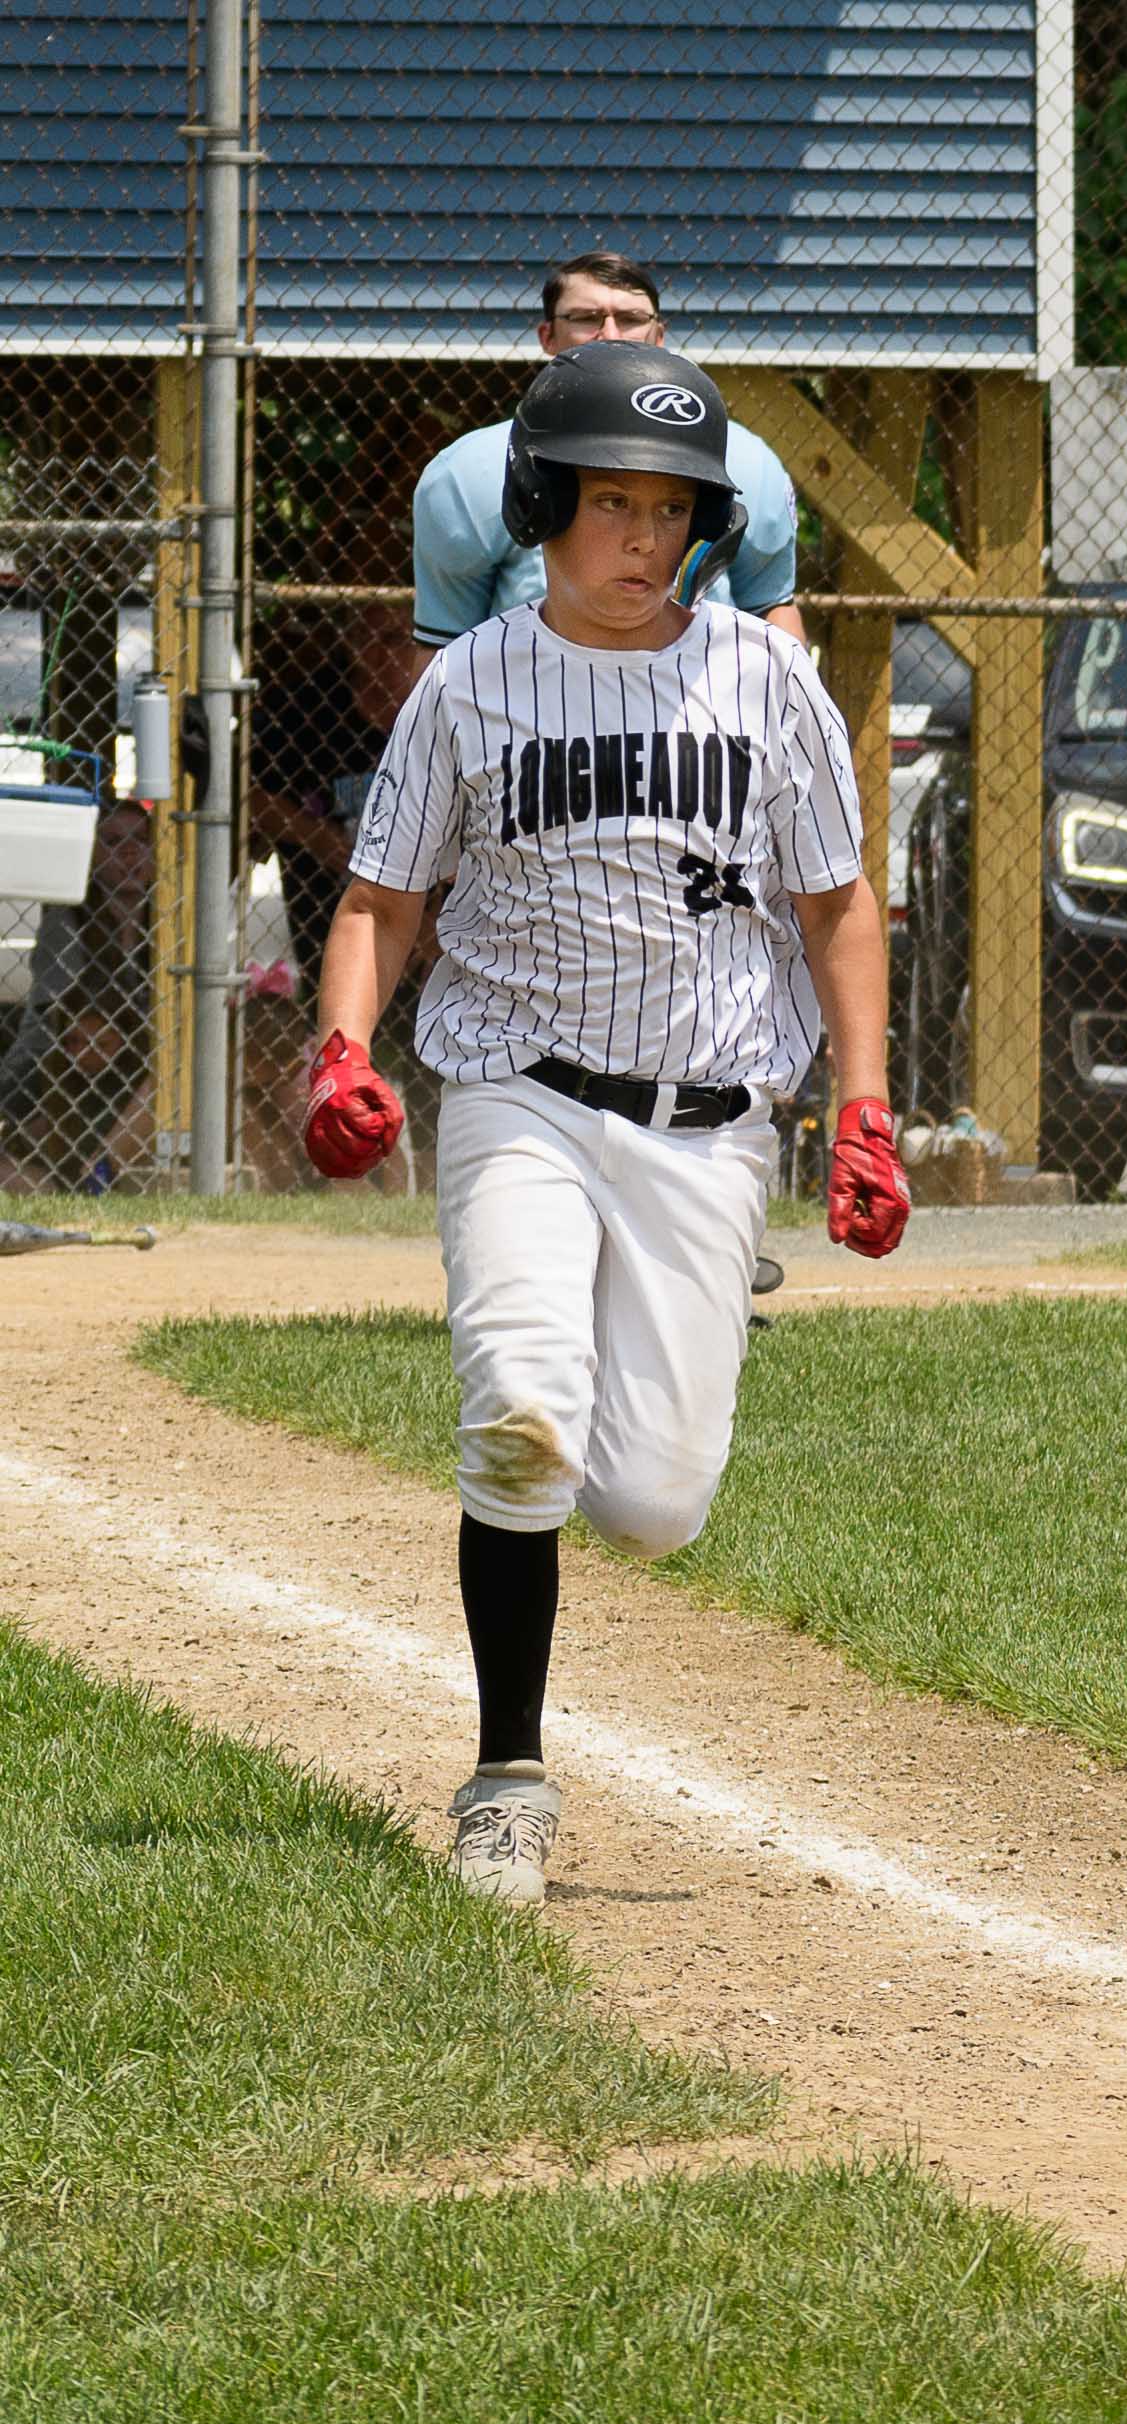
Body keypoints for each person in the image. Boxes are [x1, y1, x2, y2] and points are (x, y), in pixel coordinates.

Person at [298, 343, 907, 1905]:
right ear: (543, 503)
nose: (643, 535)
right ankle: (507, 1775)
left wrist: (863, 1108)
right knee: (519, 1408)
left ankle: (558, 1487)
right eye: (610, 501)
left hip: (707, 1126)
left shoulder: (765, 680)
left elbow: (837, 908)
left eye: (670, 508)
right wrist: (343, 1052)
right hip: (520, 1093)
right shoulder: (475, 680)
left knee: (651, 1501)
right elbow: (379, 901)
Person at [407, 251, 804, 649]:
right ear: (547, 336)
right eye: (585, 318)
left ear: (660, 337)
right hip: (529, 697)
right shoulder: (470, 472)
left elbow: (771, 613)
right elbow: (443, 648)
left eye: (631, 319)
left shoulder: (744, 461)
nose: (611, 333)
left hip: (702, 695)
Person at [248, 598, 434, 1176]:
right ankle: (343, 1172)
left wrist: (434, 920)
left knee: (433, 1079)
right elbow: (255, 799)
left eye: (402, 639)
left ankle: (431, 1172)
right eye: (373, 637)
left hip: (432, 933)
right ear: (351, 644)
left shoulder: (441, 707)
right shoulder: (308, 712)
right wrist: (334, 847)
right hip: (328, 920)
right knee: (343, 1061)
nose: (389, 654)